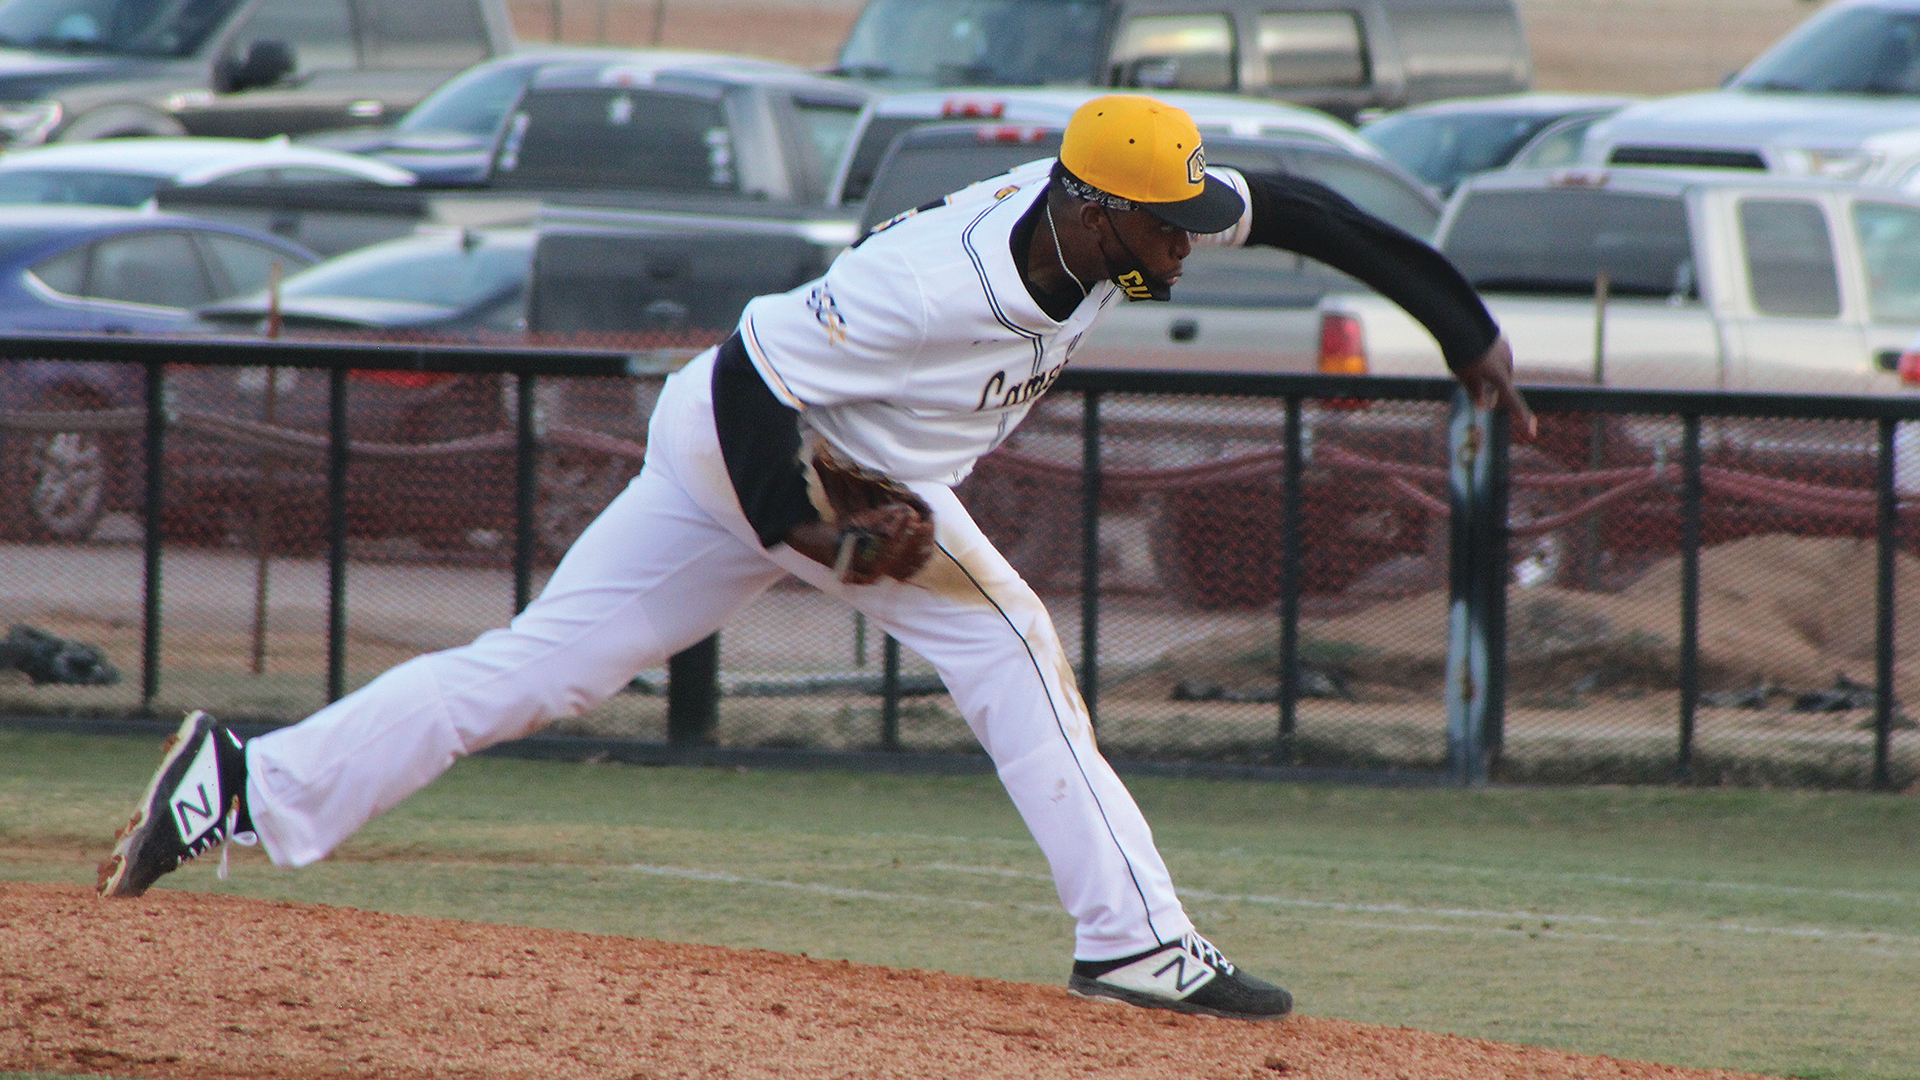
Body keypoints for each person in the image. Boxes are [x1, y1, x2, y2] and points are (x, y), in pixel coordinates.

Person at [98, 95, 1532, 1022]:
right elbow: (745, 380)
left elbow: (1311, 211)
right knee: (1015, 641)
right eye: (1161, 227)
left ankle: (239, 783)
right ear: (1091, 205)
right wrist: (811, 527)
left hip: (831, 471)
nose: (1185, 241)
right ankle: (1138, 944)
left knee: (538, 668)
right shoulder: (932, 282)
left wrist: (1463, 333)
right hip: (767, 450)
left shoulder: (1135, 212)